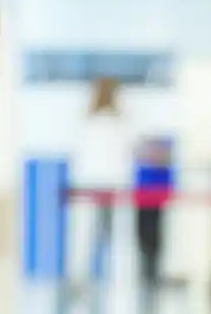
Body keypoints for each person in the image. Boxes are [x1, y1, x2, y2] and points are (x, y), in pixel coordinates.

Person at [67, 78, 134, 309]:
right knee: (117, 238)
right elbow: (128, 155)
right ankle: (118, 283)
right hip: (114, 186)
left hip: (89, 186)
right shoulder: (121, 123)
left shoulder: (88, 122)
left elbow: (80, 157)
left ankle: (80, 282)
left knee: (84, 237)